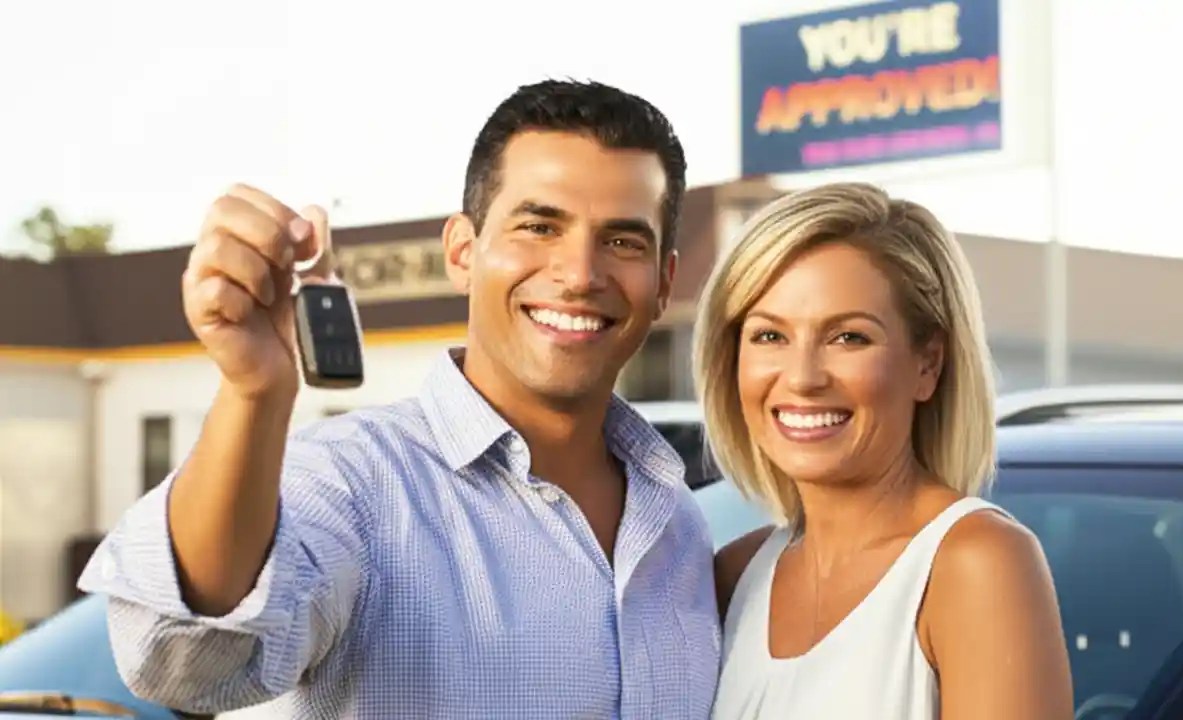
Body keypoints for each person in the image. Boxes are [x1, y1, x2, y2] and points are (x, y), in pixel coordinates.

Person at [77, 79, 721, 719]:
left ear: (664, 281)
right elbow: (188, 663)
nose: (579, 274)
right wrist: (253, 395)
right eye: (538, 227)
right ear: (462, 253)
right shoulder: (354, 483)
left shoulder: (678, 526)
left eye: (622, 242)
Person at [694, 183, 1073, 719]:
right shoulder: (733, 577)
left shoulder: (975, 563)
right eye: (769, 336)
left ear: (928, 364)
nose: (802, 378)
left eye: (848, 337)